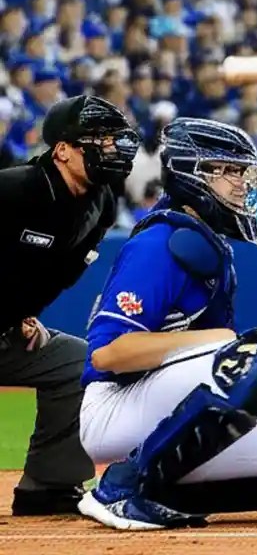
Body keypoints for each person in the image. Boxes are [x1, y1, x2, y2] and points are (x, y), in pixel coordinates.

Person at [76, 118, 257, 530]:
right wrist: (218, 341)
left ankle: (159, 494)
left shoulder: (206, 243)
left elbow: (211, 376)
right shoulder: (160, 242)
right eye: (229, 171)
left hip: (159, 401)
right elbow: (109, 354)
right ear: (193, 173)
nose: (242, 183)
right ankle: (120, 488)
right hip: (114, 405)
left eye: (243, 172)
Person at [0, 94, 138, 516]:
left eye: (113, 140)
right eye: (97, 140)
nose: (109, 149)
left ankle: (49, 485)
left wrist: (21, 312)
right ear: (62, 150)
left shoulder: (100, 203)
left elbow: (49, 272)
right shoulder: (14, 188)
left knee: (79, 364)